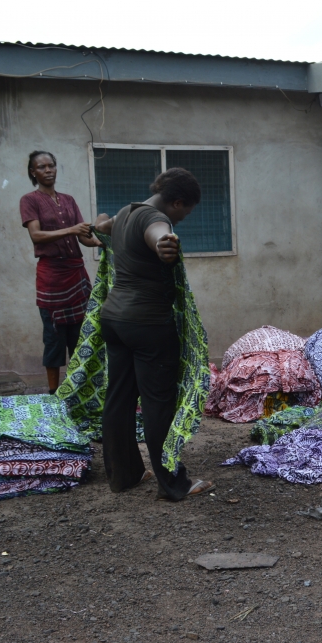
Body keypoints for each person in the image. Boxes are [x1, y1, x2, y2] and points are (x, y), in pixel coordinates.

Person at [91, 168, 213, 501]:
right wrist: (165, 244)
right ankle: (173, 484)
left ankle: (125, 475)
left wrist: (98, 224)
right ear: (177, 201)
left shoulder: (124, 213)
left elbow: (102, 226)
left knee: (118, 399)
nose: (183, 219)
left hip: (114, 319)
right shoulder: (155, 220)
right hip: (147, 324)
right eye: (185, 212)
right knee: (158, 405)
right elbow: (158, 233)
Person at [20, 150, 99, 392]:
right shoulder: (29, 200)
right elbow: (36, 235)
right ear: (33, 172)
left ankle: (76, 389)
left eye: (51, 165)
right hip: (52, 277)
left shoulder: (68, 200)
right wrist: (73, 230)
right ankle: (53, 393)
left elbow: (84, 238)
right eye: (41, 167)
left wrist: (102, 241)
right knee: (54, 339)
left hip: (76, 275)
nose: (48, 170)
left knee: (79, 337)